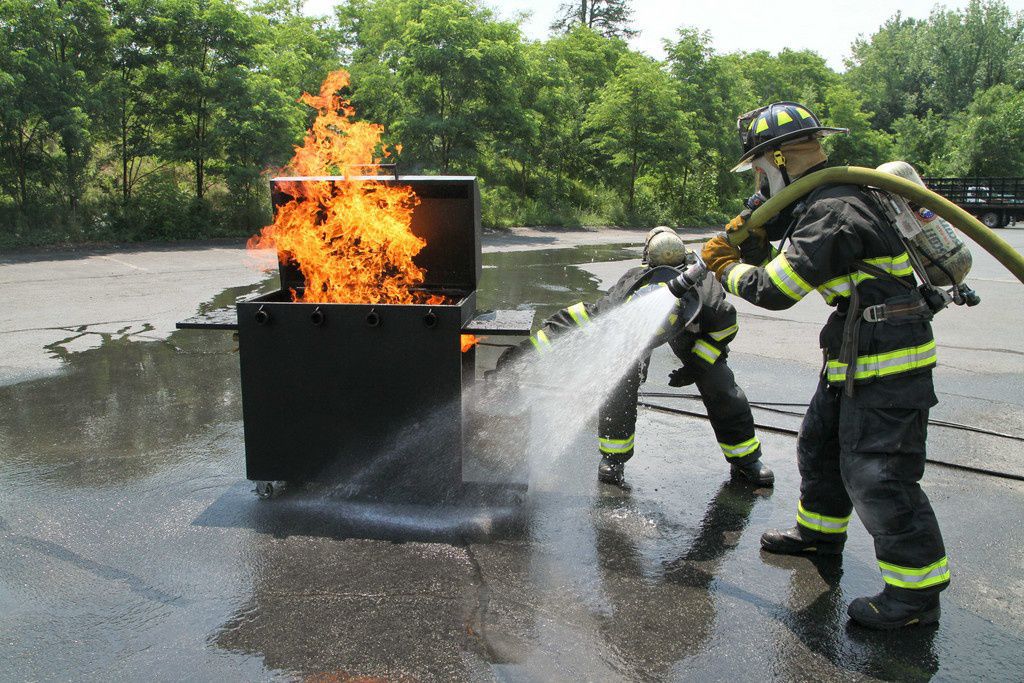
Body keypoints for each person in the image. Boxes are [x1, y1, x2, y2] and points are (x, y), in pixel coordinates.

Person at [701, 101, 949, 630]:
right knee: (821, 445)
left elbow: (776, 290)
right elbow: (792, 229)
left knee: (879, 475)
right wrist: (756, 225)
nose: (759, 181)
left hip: (888, 359)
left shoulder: (835, 208)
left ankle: (915, 598)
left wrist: (727, 265)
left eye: (759, 169)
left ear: (778, 160)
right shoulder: (824, 200)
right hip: (856, 349)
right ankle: (819, 537)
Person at [517, 227, 773, 488]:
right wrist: (529, 352)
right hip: (637, 333)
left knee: (719, 383)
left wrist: (698, 365)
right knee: (619, 379)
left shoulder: (706, 292)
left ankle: (745, 460)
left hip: (691, 328)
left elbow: (725, 327)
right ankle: (613, 459)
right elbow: (589, 318)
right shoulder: (632, 286)